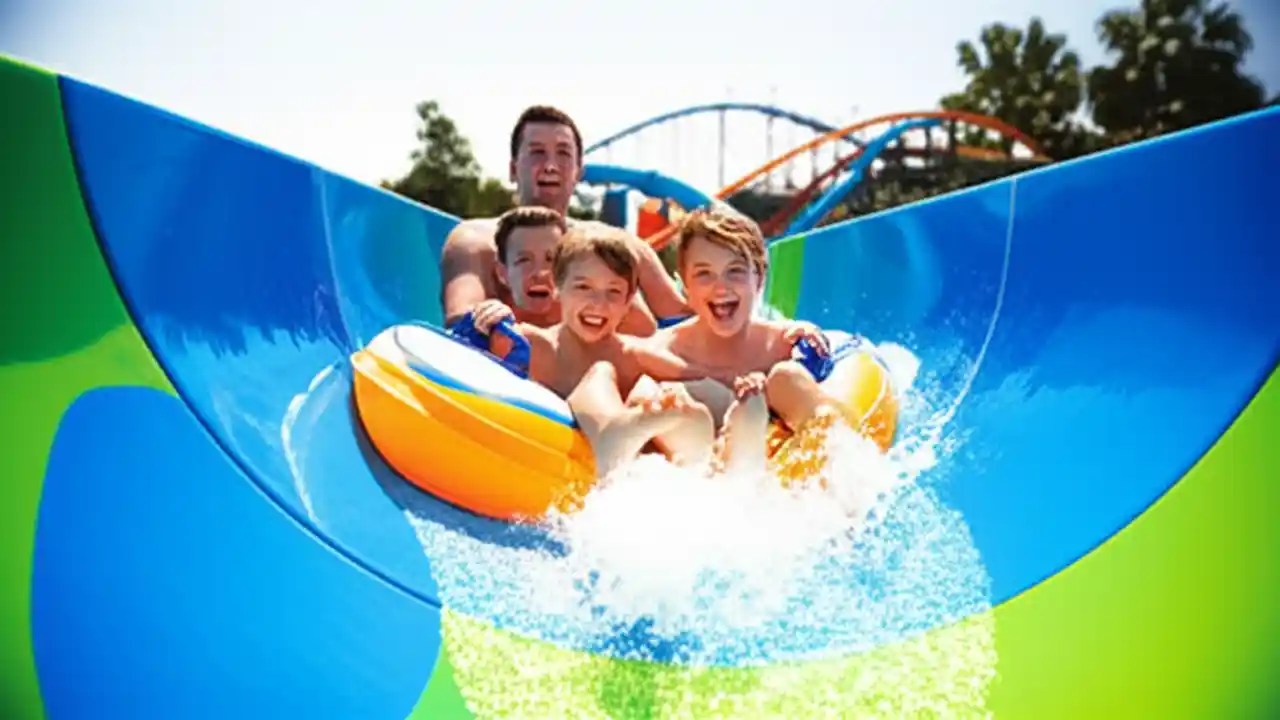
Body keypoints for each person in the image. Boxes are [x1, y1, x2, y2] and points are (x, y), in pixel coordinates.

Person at [483, 225, 764, 478]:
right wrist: (485, 319)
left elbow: (703, 373)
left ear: (629, 300)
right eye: (583, 287)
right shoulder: (532, 343)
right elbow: (469, 352)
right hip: (570, 445)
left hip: (625, 451)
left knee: (676, 391)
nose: (598, 304)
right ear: (557, 287)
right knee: (601, 372)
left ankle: (705, 438)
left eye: (613, 292)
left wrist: (748, 386)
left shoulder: (633, 354)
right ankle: (613, 434)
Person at [439, 104, 689, 337]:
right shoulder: (476, 241)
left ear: (579, 171)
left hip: (604, 376)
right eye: (537, 153)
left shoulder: (617, 244)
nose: (550, 165)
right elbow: (462, 321)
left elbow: (680, 322)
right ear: (514, 169)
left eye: (563, 154)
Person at [643, 206, 841, 468]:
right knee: (683, 395)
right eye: (704, 273)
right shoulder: (660, 355)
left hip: (782, 473)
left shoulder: (784, 346)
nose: (721, 287)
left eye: (735, 270)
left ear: (759, 279)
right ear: (685, 286)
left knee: (787, 378)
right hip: (705, 475)